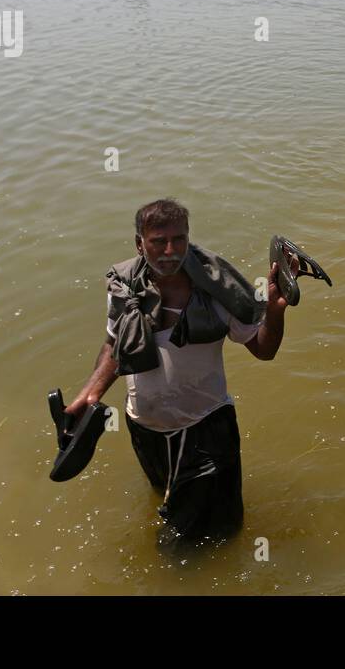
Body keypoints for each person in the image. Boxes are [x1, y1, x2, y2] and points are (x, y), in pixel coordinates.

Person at [63, 198, 297, 542]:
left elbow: (264, 350)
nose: (170, 250)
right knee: (165, 498)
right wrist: (91, 393)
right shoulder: (126, 287)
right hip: (145, 427)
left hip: (205, 428)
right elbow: (114, 345)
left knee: (204, 540)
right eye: (159, 241)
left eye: (179, 240)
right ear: (139, 244)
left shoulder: (218, 292)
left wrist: (275, 313)